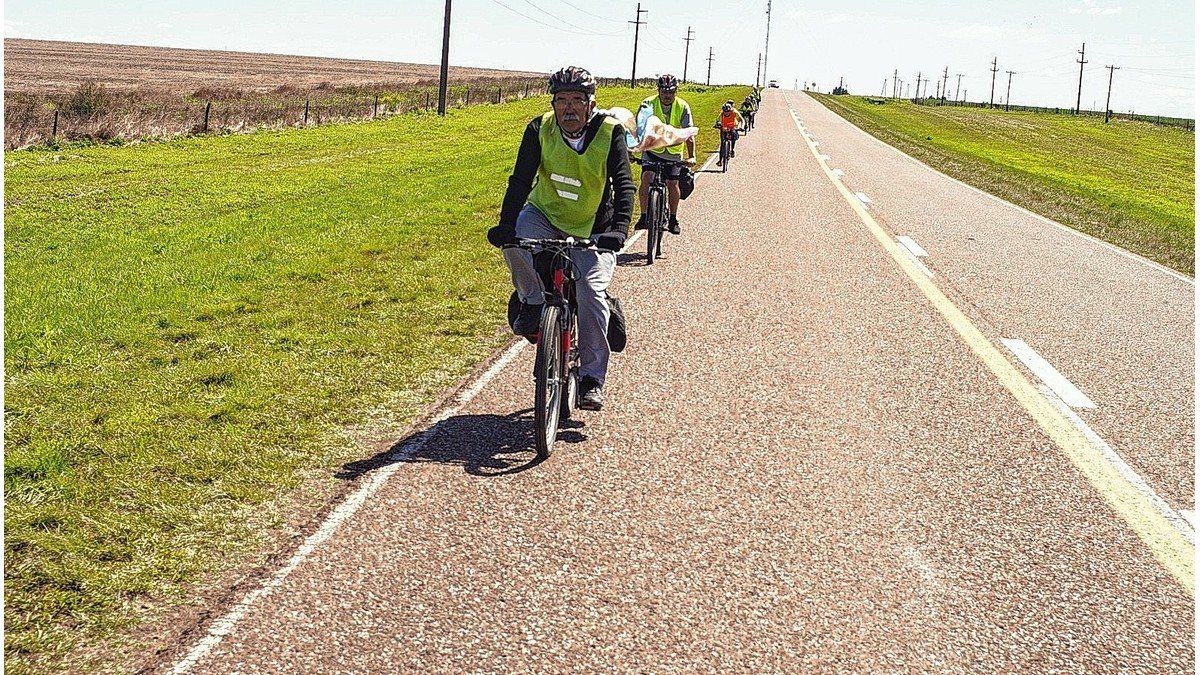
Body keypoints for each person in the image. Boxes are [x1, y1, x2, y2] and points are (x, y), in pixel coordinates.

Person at [487, 66, 635, 410]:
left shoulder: (609, 132)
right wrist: (506, 224)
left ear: (591, 104)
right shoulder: (539, 129)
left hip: (594, 226)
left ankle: (591, 379)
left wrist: (619, 229)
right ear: (553, 104)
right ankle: (533, 303)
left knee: (590, 293)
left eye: (577, 100)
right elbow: (520, 181)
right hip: (545, 215)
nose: (569, 108)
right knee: (514, 241)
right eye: (561, 100)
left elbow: (625, 183)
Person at [634, 74, 695, 235]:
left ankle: (673, 219)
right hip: (652, 149)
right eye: (664, 92)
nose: (667, 95)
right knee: (646, 177)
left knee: (673, 184)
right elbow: (638, 128)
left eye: (671, 92)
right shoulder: (648, 104)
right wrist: (632, 151)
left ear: (676, 91)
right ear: (658, 91)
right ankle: (644, 216)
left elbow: (688, 133)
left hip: (673, 152)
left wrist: (692, 156)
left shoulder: (682, 106)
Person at [715, 101, 744, 165]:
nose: (726, 113)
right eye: (725, 112)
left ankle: (732, 150)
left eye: (727, 112)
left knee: (734, 136)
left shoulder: (734, 112)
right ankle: (720, 160)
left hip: (733, 127)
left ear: (730, 110)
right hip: (724, 128)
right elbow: (717, 120)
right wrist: (717, 124)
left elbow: (742, 119)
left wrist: (742, 127)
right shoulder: (722, 114)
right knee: (722, 144)